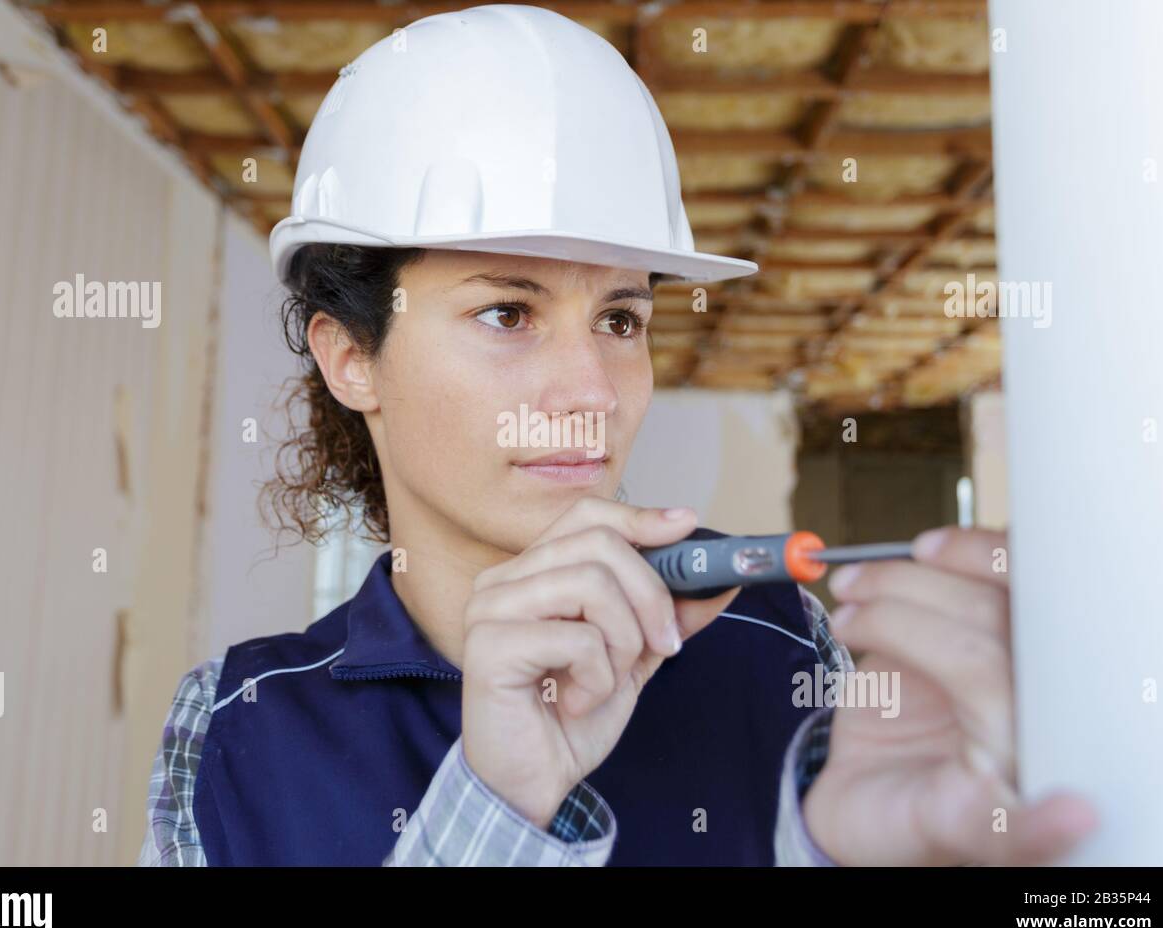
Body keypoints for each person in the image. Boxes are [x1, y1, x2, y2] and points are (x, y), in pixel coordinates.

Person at [139, 4, 1097, 866]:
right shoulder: (238, 728)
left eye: (621, 320)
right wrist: (494, 811)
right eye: (507, 314)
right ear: (351, 356)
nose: (592, 390)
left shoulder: (774, 640)